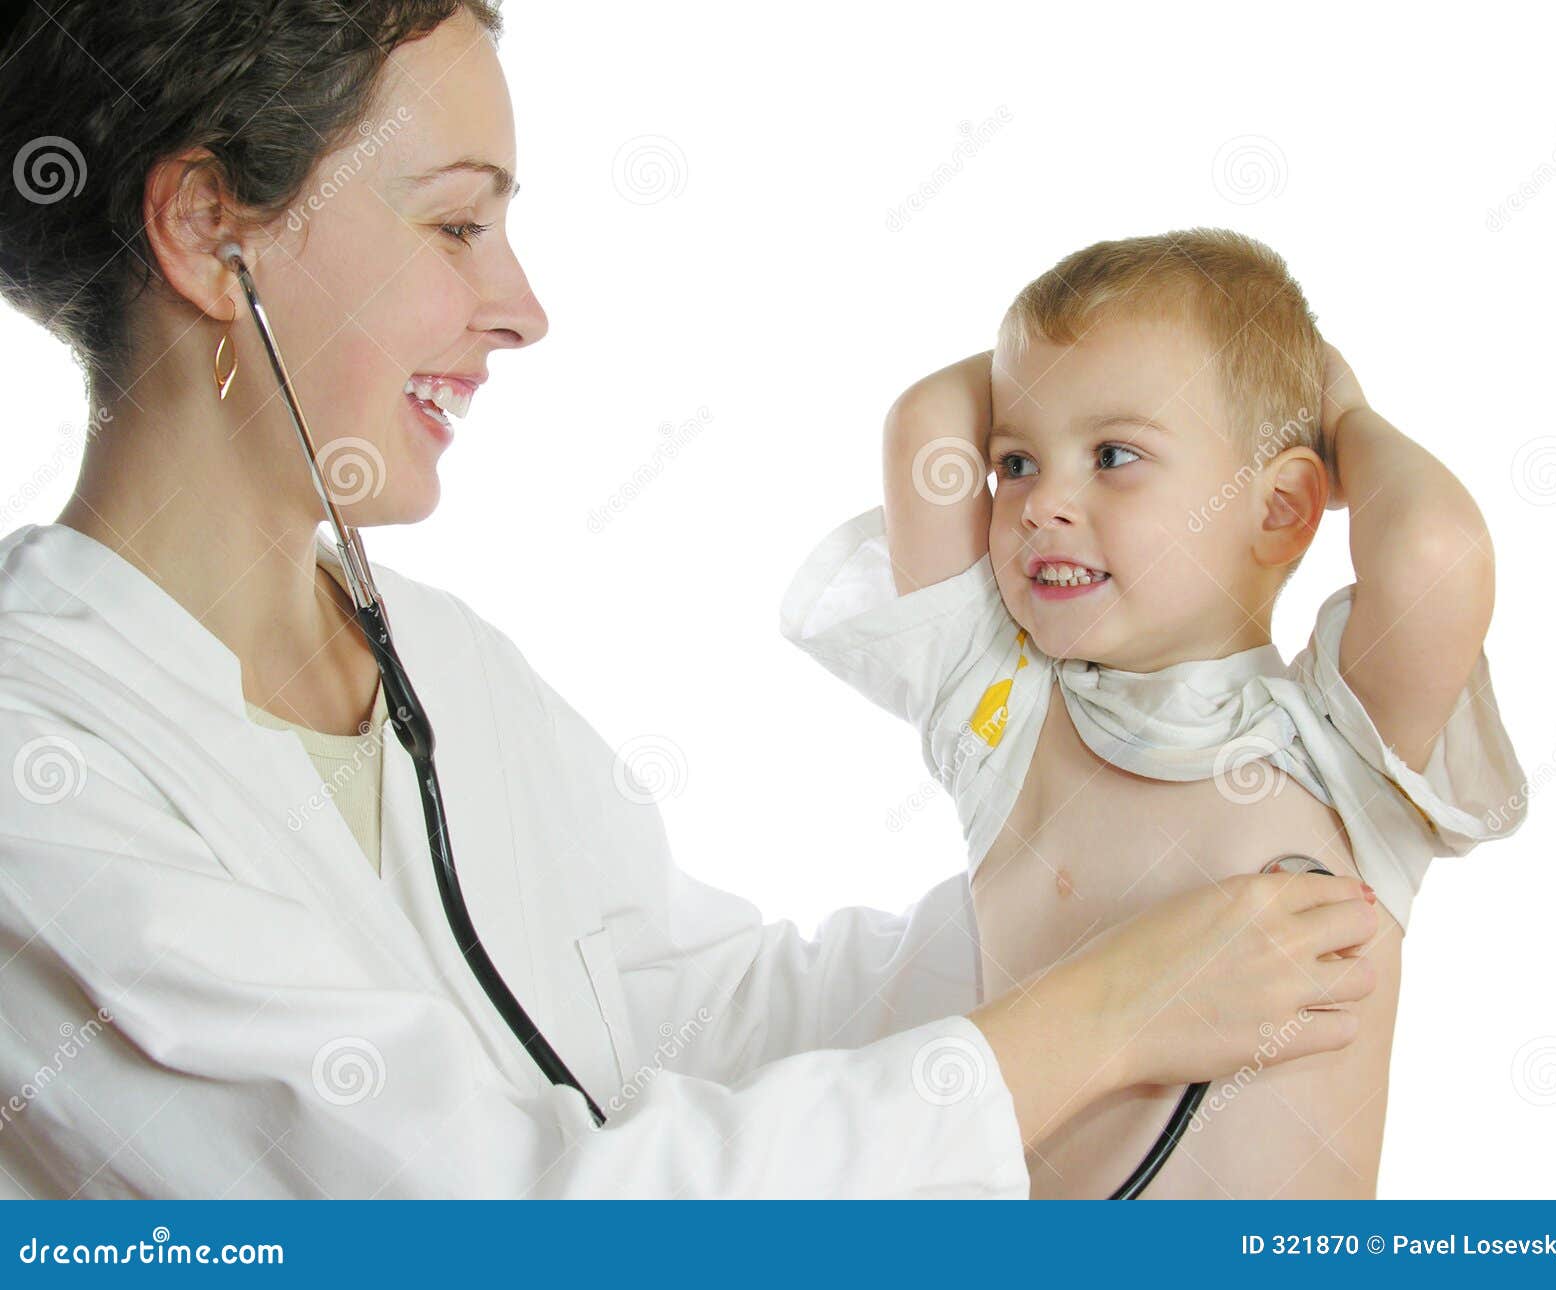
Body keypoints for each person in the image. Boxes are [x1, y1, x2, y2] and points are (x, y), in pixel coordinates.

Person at [0, 2, 1379, 1199]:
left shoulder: (439, 666)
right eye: (457, 222)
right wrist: (1101, 1017)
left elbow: (689, 1016)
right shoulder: (37, 768)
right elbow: (479, 1221)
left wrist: (1110, 876)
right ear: (203, 227)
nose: (522, 306)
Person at [779, 231, 1527, 1197]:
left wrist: (1335, 407)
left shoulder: (1342, 750)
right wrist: (1086, 360)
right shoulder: (1003, 712)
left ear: (1283, 506)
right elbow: (927, 424)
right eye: (1016, 462)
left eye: (1114, 454)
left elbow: (1437, 552)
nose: (1045, 502)